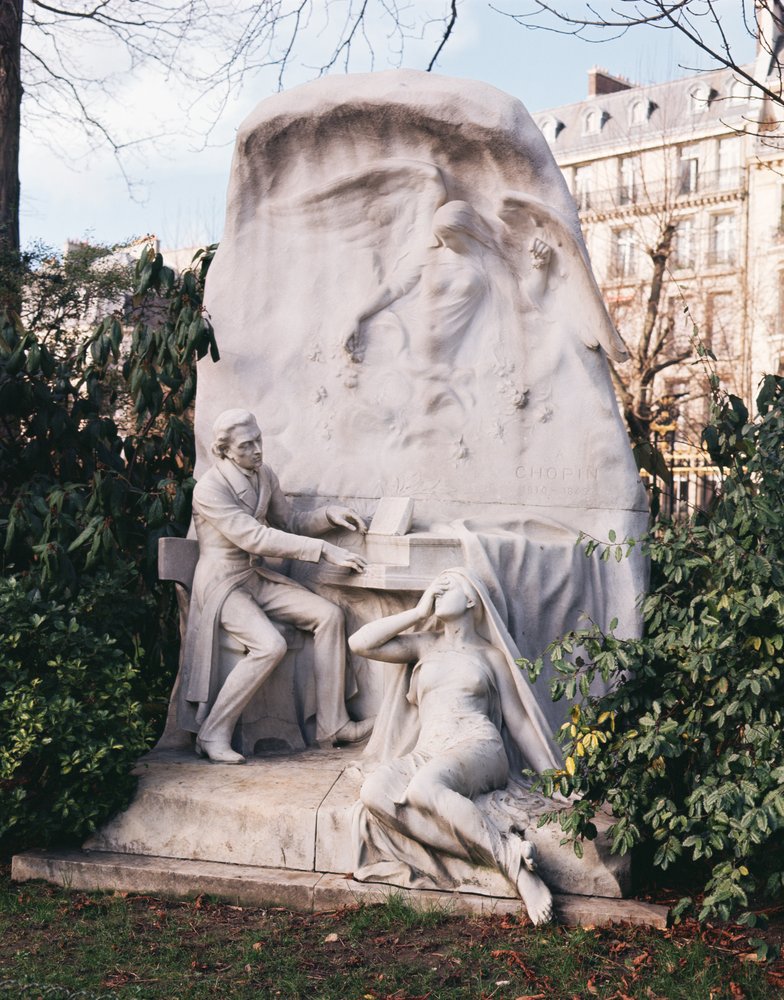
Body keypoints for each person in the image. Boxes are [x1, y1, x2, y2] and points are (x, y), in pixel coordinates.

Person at [348, 568, 561, 925]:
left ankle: (518, 871)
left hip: (478, 745)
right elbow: (360, 643)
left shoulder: (491, 655)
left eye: (448, 585)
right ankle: (505, 851)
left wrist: (555, 778)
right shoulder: (423, 645)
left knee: (424, 789)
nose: (437, 588)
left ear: (472, 600)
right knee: (374, 792)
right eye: (435, 584)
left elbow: (520, 723)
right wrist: (418, 613)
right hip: (430, 750)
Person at [179, 408, 373, 763]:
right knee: (270, 645)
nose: (257, 449)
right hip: (223, 586)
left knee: (328, 615)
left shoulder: (264, 475)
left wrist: (328, 517)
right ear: (224, 451)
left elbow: (289, 523)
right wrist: (325, 551)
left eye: (259, 439)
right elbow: (254, 537)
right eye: (246, 445)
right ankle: (213, 733)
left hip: (255, 579)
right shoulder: (210, 489)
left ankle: (334, 724)